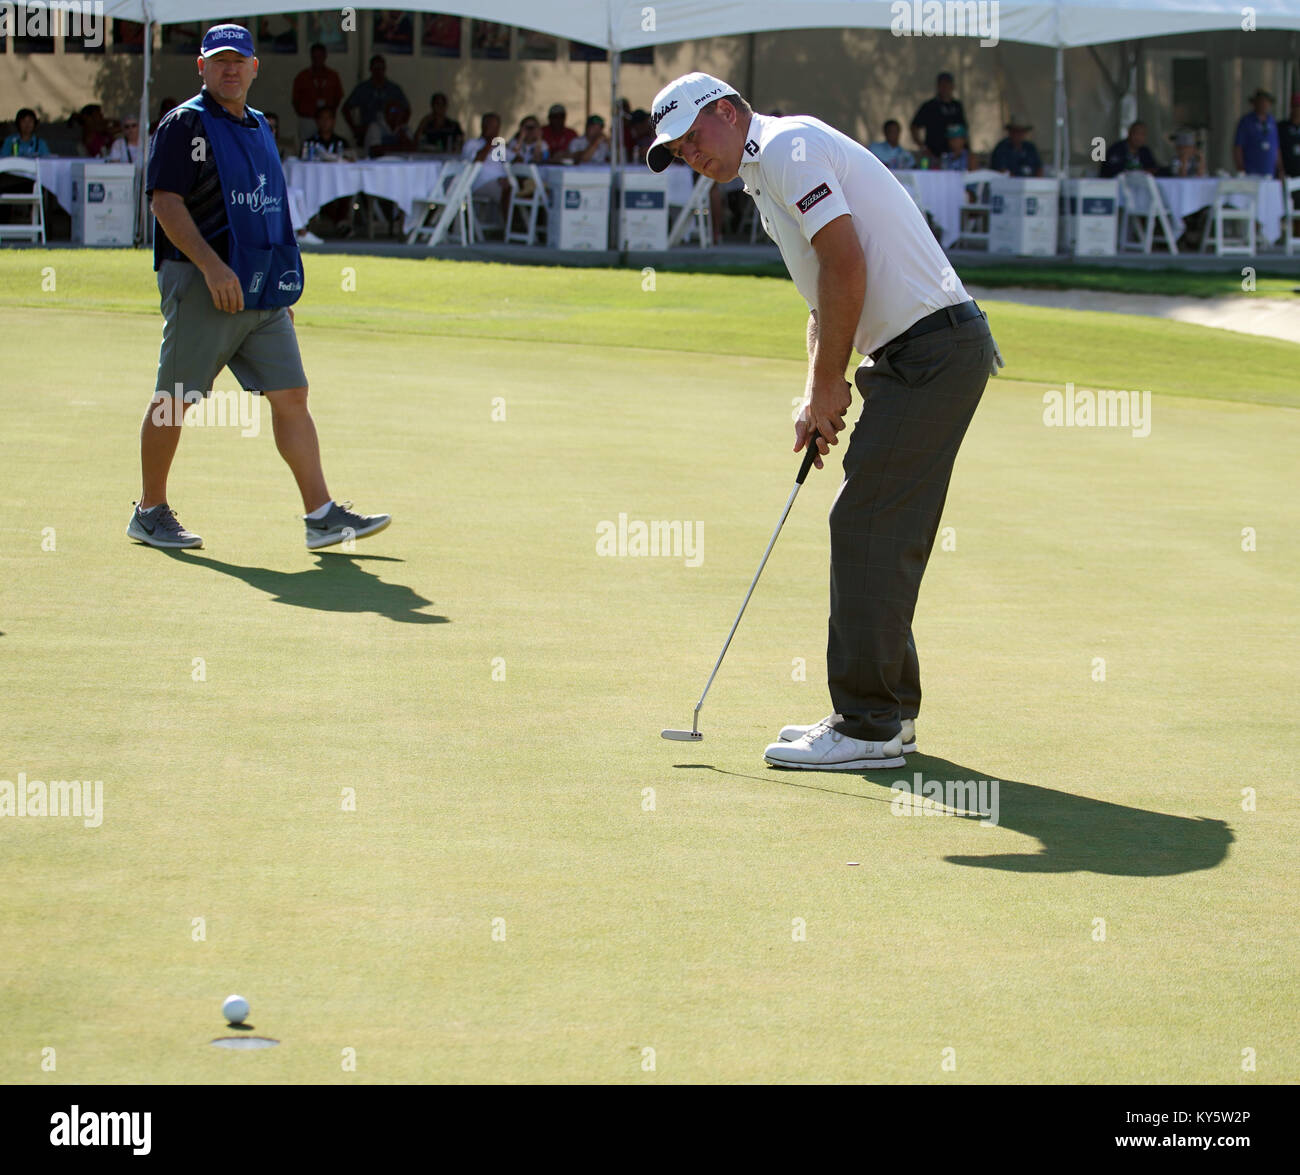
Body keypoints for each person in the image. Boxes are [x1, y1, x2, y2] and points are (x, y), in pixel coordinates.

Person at [647, 72, 999, 771]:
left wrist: (831, 382)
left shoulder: (787, 148)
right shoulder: (763, 175)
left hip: (931, 351)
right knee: (877, 526)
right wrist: (816, 392)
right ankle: (889, 714)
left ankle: (866, 724)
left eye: (692, 137)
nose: (691, 155)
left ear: (728, 111)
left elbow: (845, 265)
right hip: (917, 354)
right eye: (678, 152)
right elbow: (822, 298)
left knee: (865, 523)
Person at [131, 23, 389, 552]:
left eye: (238, 61)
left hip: (260, 290)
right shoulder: (184, 124)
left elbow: (269, 210)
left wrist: (278, 288)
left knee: (292, 393)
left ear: (254, 68)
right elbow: (164, 203)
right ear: (201, 67)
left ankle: (321, 515)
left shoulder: (258, 126)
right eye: (219, 61)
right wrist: (212, 268)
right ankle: (149, 511)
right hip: (202, 281)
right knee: (175, 399)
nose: (230, 69)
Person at [343, 55, 408, 145]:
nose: (378, 70)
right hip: (367, 132)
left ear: (385, 68)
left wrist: (399, 127)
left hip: (390, 134)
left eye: (381, 67)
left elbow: (407, 110)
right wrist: (355, 129)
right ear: (370, 69)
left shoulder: (394, 89)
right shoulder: (362, 89)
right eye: (376, 67)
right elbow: (346, 108)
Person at [290, 42, 344, 146]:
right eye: (315, 56)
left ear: (325, 56)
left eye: (320, 56)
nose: (317, 59)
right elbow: (295, 99)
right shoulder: (303, 76)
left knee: (328, 144)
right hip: (308, 118)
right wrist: (303, 113)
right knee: (307, 146)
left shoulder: (333, 75)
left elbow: (338, 96)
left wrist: (330, 114)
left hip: (326, 118)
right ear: (311, 57)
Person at [462, 112, 511, 223]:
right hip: (480, 184)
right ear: (483, 126)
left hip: (503, 181)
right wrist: (489, 143)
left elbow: (516, 159)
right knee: (508, 189)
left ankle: (520, 224)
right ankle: (510, 226)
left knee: (522, 186)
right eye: (491, 126)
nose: (494, 130)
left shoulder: (500, 146)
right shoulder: (472, 144)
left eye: (496, 127)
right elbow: (477, 161)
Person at [911, 72, 966, 163]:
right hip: (934, 154)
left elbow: (963, 130)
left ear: (952, 86)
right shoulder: (930, 106)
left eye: (948, 84)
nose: (945, 88)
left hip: (955, 156)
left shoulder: (957, 106)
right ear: (938, 86)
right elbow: (914, 127)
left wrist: (962, 148)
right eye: (942, 85)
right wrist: (922, 147)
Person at [1233, 89, 1279, 177]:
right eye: (1261, 102)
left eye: (1266, 102)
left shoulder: (1271, 121)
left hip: (1269, 171)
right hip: (1251, 170)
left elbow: (1276, 146)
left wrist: (1279, 167)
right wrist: (1240, 167)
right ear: (1254, 103)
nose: (1264, 105)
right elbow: (1238, 146)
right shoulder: (1246, 121)